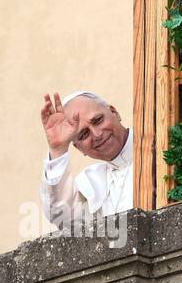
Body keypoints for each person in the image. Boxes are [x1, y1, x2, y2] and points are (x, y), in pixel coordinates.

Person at [39, 90, 133, 230]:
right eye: (84, 134)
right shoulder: (91, 180)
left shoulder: (162, 143)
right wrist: (58, 150)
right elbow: (62, 216)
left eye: (98, 120)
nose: (97, 134)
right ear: (79, 148)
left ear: (115, 112)